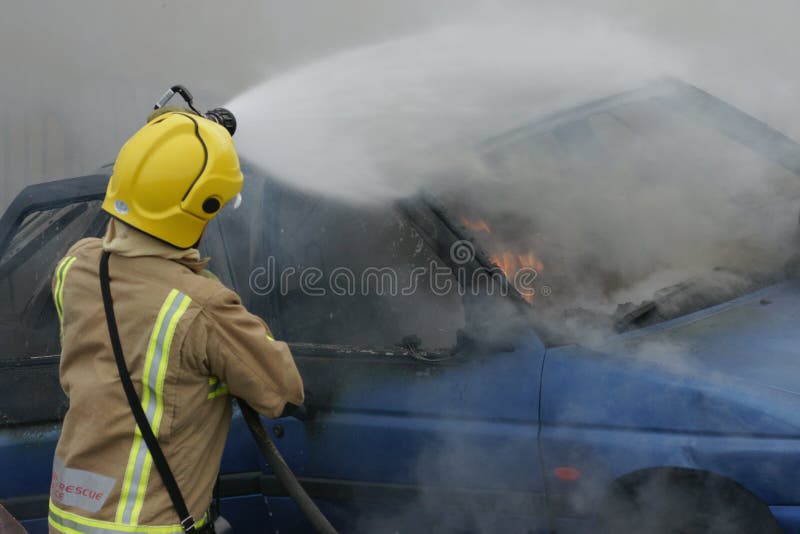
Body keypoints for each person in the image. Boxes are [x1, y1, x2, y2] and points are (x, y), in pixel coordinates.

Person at [48, 108, 304, 533]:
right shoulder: (200, 305)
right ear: (197, 211)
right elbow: (282, 390)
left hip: (69, 519)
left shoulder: (75, 266)